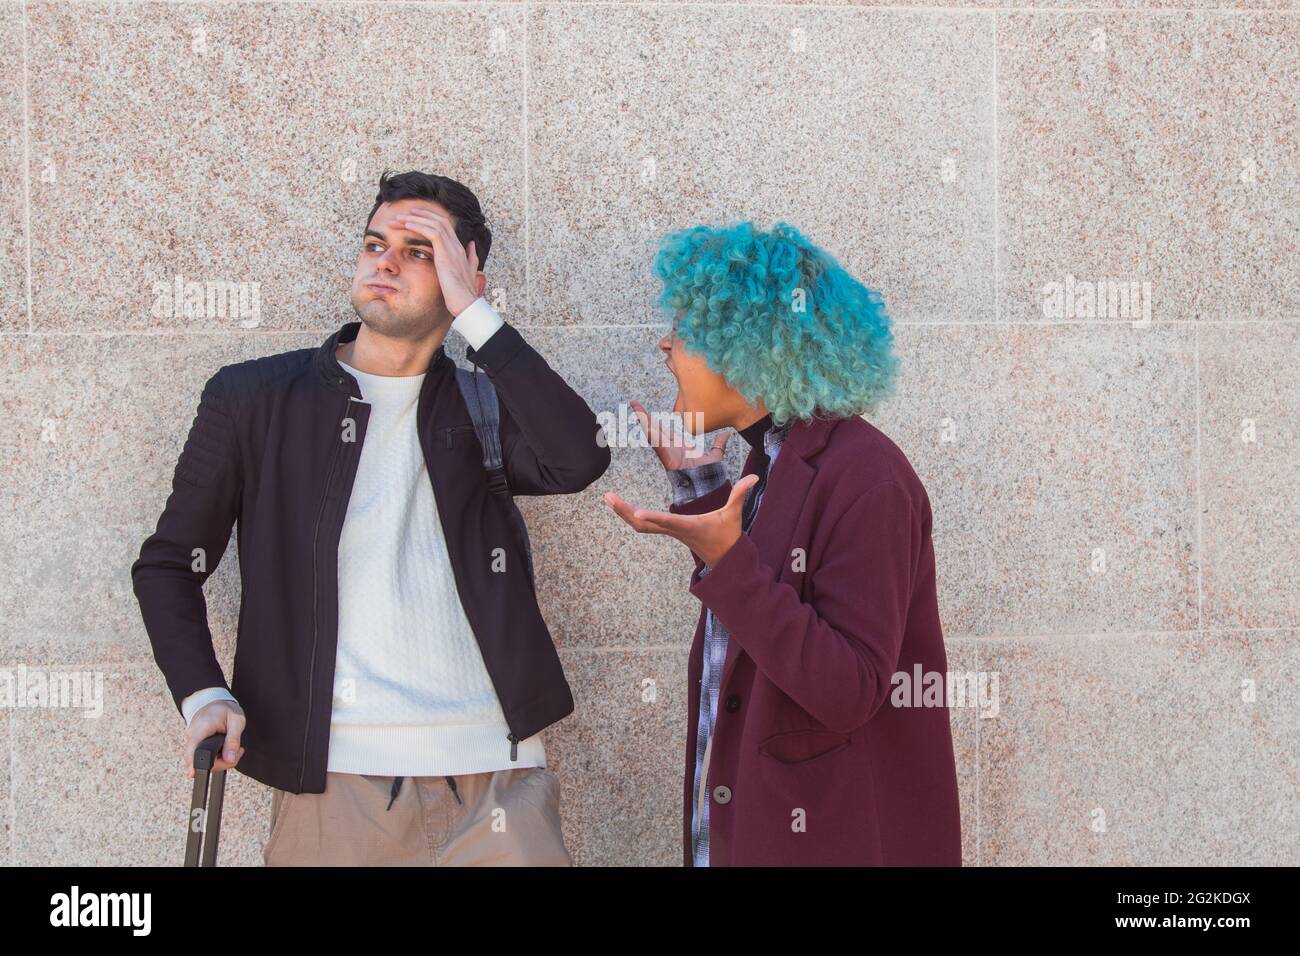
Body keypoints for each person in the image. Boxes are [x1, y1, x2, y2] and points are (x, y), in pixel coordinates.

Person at [132, 171, 610, 865]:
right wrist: (202, 691)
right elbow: (170, 565)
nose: (384, 261)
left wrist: (478, 319)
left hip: (500, 778)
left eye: (419, 250)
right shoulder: (254, 400)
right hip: (336, 784)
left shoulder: (482, 406)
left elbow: (580, 459)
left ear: (463, 272)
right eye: (374, 243)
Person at [604, 221, 961, 865]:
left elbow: (848, 688)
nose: (664, 344)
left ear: (748, 350)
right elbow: (769, 605)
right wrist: (703, 489)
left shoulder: (868, 477)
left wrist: (727, 561)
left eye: (686, 331)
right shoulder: (772, 462)